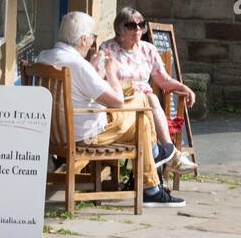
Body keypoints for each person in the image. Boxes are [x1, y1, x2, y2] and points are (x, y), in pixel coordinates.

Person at [36, 11, 185, 208]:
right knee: (142, 114)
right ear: (83, 39)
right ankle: (154, 173)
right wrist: (111, 72)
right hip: (85, 135)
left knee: (141, 103)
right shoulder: (77, 65)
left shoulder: (44, 57)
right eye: (92, 37)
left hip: (53, 132)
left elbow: (82, 90)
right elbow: (117, 101)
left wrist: (94, 67)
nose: (92, 41)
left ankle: (153, 179)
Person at [99, 8, 197, 173]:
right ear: (120, 29)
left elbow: (164, 80)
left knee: (149, 98)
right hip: (120, 105)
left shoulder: (148, 49)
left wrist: (184, 87)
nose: (138, 29)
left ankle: (162, 155)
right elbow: (99, 80)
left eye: (140, 25)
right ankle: (170, 153)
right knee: (151, 97)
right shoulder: (108, 48)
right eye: (131, 25)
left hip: (145, 108)